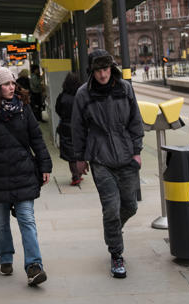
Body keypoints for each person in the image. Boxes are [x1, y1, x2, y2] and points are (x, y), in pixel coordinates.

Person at [0, 66, 52, 286]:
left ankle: (34, 266)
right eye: (7, 84)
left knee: (27, 219)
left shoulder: (24, 108)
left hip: (23, 172)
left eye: (12, 83)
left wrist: (45, 165)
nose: (12, 87)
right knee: (1, 223)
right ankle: (6, 257)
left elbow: (36, 139)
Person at [71, 49, 144, 279]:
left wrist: (137, 151)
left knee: (130, 206)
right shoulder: (84, 94)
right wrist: (80, 157)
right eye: (97, 70)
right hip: (100, 157)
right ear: (91, 72)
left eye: (105, 69)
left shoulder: (125, 88)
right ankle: (116, 254)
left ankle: (113, 230)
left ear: (111, 68)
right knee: (111, 208)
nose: (102, 75)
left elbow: (136, 120)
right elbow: (77, 128)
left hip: (126, 156)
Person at [54, 72, 83, 185]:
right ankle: (79, 174)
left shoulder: (62, 96)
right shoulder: (80, 95)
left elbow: (57, 109)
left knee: (70, 153)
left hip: (65, 126)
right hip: (79, 126)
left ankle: (75, 176)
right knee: (79, 150)